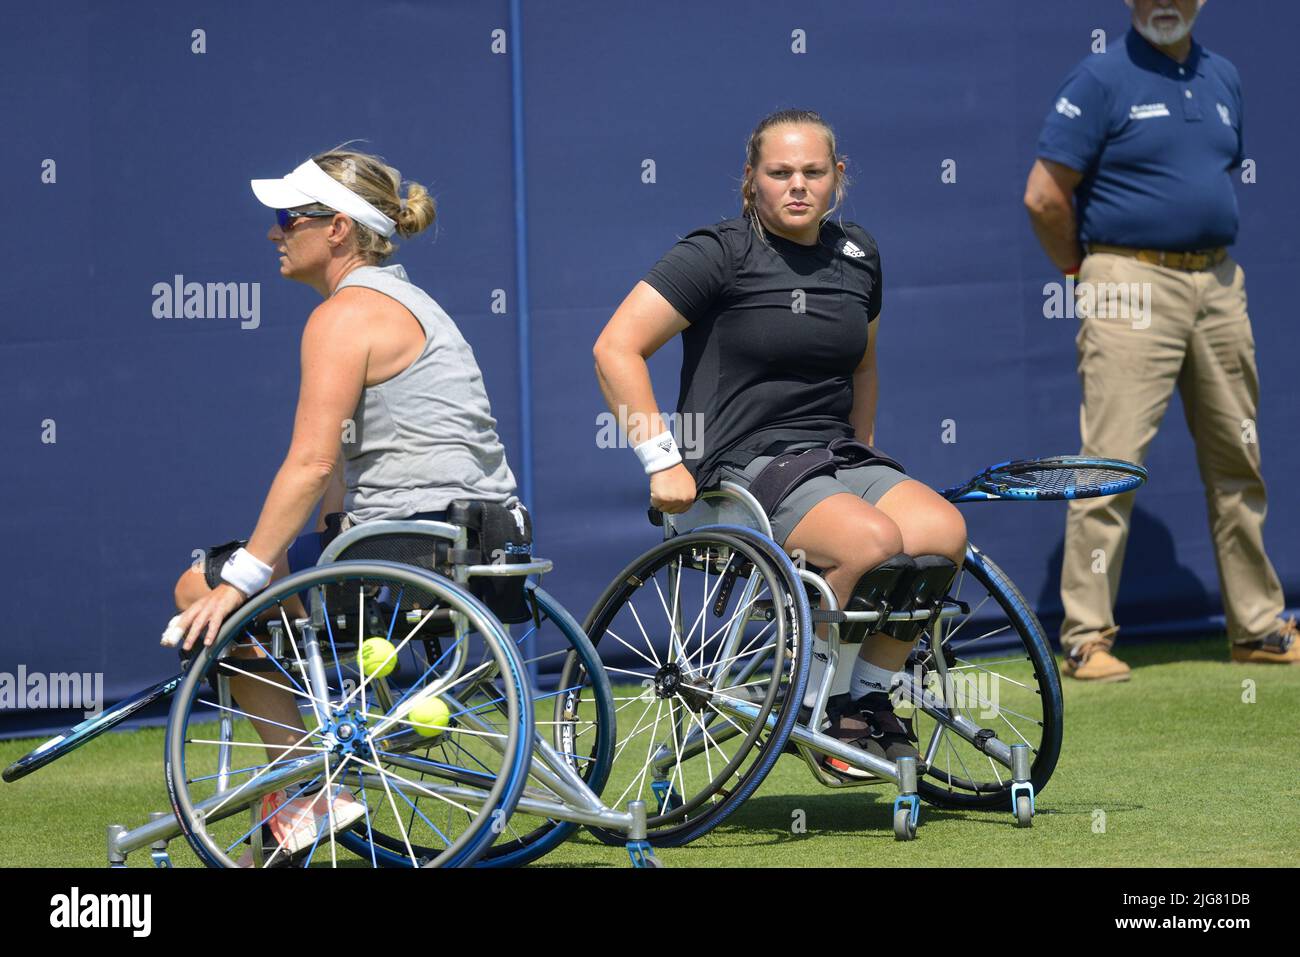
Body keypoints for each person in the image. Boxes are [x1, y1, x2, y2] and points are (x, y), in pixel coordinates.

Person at [170, 146, 523, 856]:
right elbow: (338, 473)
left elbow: (309, 462)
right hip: (480, 537)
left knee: (197, 586)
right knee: (259, 581)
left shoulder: (344, 316)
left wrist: (239, 577)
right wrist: (296, 547)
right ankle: (301, 791)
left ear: (336, 229)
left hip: (410, 549)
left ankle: (303, 792)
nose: (274, 232)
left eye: (286, 218)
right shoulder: (404, 300)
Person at [593, 109, 967, 779]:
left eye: (813, 172)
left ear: (838, 177)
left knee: (941, 531)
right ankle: (822, 707)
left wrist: (869, 454)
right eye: (780, 172)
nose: (798, 185)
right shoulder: (717, 252)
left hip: (834, 456)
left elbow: (864, 366)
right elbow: (615, 348)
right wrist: (661, 459)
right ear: (751, 180)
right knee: (871, 542)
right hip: (739, 464)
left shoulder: (858, 255)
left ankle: (868, 695)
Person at [1024, 0, 1295, 682]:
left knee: (1239, 456)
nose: (1163, 3)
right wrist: (1084, 269)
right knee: (1109, 463)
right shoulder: (1098, 78)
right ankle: (1086, 638)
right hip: (1126, 276)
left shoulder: (1224, 76)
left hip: (1218, 282)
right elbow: (1044, 196)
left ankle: (1258, 628)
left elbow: (1212, 173)